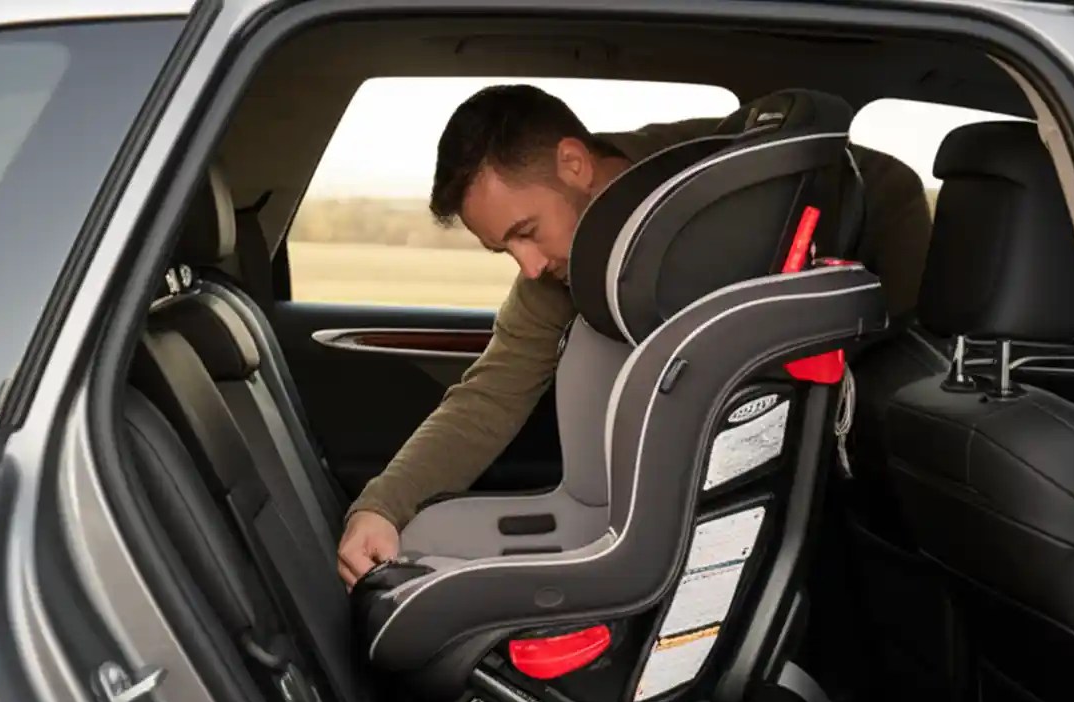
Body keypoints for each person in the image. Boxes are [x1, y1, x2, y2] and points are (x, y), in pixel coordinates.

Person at [336, 84, 933, 588]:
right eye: (504, 249)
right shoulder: (557, 275)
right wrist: (382, 506)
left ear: (574, 163)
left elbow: (890, 191)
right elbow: (487, 398)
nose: (529, 266)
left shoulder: (724, 177)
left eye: (527, 232)